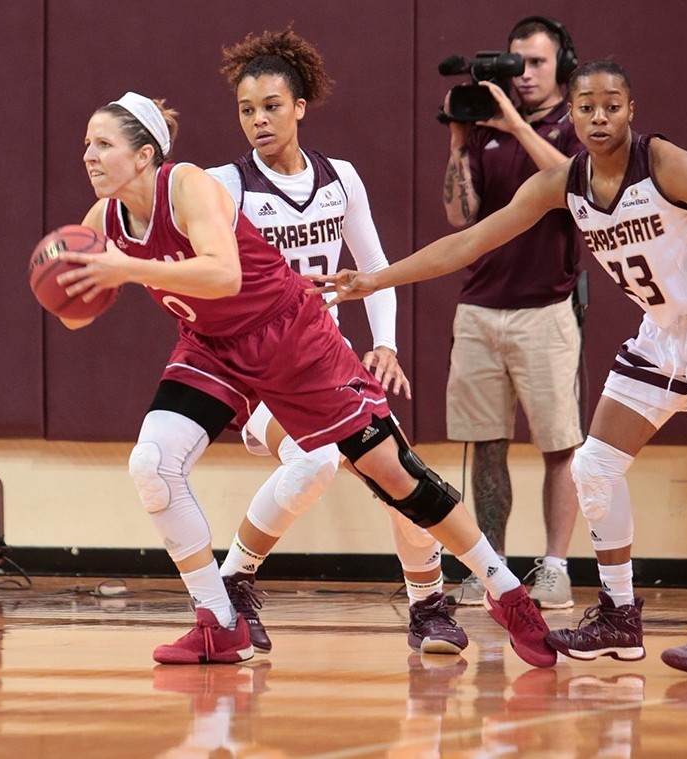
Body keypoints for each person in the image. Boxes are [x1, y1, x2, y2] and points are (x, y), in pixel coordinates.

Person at [313, 61, 687, 678]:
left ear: (631, 109)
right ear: (571, 112)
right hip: (665, 327)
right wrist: (373, 279)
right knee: (593, 468)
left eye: (612, 105)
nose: (599, 118)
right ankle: (619, 616)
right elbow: (470, 242)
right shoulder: (562, 182)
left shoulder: (666, 164)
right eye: (587, 107)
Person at [55, 90, 556, 668]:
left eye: (102, 144)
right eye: (86, 145)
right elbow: (74, 316)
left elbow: (222, 274)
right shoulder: (105, 219)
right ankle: (219, 621)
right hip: (211, 348)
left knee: (396, 475)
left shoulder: (187, 184)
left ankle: (508, 593)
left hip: (291, 337)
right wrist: (64, 283)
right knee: (152, 466)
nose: (88, 155)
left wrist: (125, 267)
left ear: (144, 155)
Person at [205, 28, 465, 656]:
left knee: (401, 474)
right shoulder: (226, 185)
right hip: (257, 373)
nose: (258, 120)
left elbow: (373, 268)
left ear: (300, 106)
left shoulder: (340, 178)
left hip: (327, 360)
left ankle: (428, 604)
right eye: (246, 109)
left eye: (271, 105)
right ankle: (232, 585)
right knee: (316, 460)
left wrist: (386, 344)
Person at [440, 16, 585, 610]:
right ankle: (490, 565)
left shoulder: (575, 124)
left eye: (537, 63)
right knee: (487, 442)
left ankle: (554, 567)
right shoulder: (480, 130)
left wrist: (516, 124)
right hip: (479, 305)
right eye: (515, 62)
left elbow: (571, 182)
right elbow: (458, 215)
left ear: (563, 67)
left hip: (546, 307)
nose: (523, 74)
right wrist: (458, 136)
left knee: (558, 443)